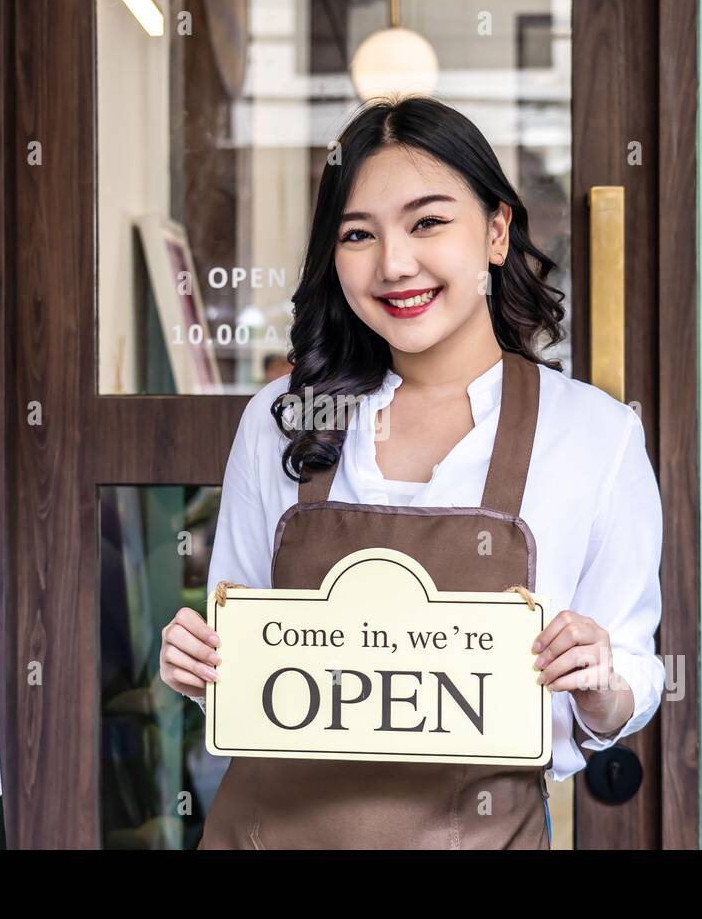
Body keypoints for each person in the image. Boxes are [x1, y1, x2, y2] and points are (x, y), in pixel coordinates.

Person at [159, 94, 664, 849]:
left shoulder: (596, 436)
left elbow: (629, 678)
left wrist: (601, 682)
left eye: (428, 222)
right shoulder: (283, 420)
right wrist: (202, 667)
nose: (394, 264)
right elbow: (242, 657)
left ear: (496, 231)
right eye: (358, 234)